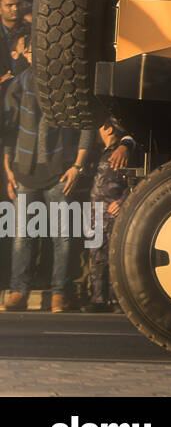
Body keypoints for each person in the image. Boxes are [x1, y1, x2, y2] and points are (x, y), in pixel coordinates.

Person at [3, 33, 95, 312]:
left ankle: (60, 293)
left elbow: (87, 126)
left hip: (59, 172)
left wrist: (77, 166)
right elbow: (9, 132)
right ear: (25, 55)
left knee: (63, 236)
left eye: (37, 52)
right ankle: (19, 292)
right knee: (22, 236)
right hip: (24, 172)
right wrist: (8, 170)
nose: (34, 57)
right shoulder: (17, 87)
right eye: (28, 53)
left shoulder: (67, 84)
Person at [86, 118, 134, 311]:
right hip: (96, 212)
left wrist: (123, 201)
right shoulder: (98, 153)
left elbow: (135, 180)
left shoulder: (123, 152)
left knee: (116, 255)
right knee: (96, 255)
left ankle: (117, 300)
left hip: (114, 212)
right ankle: (98, 299)